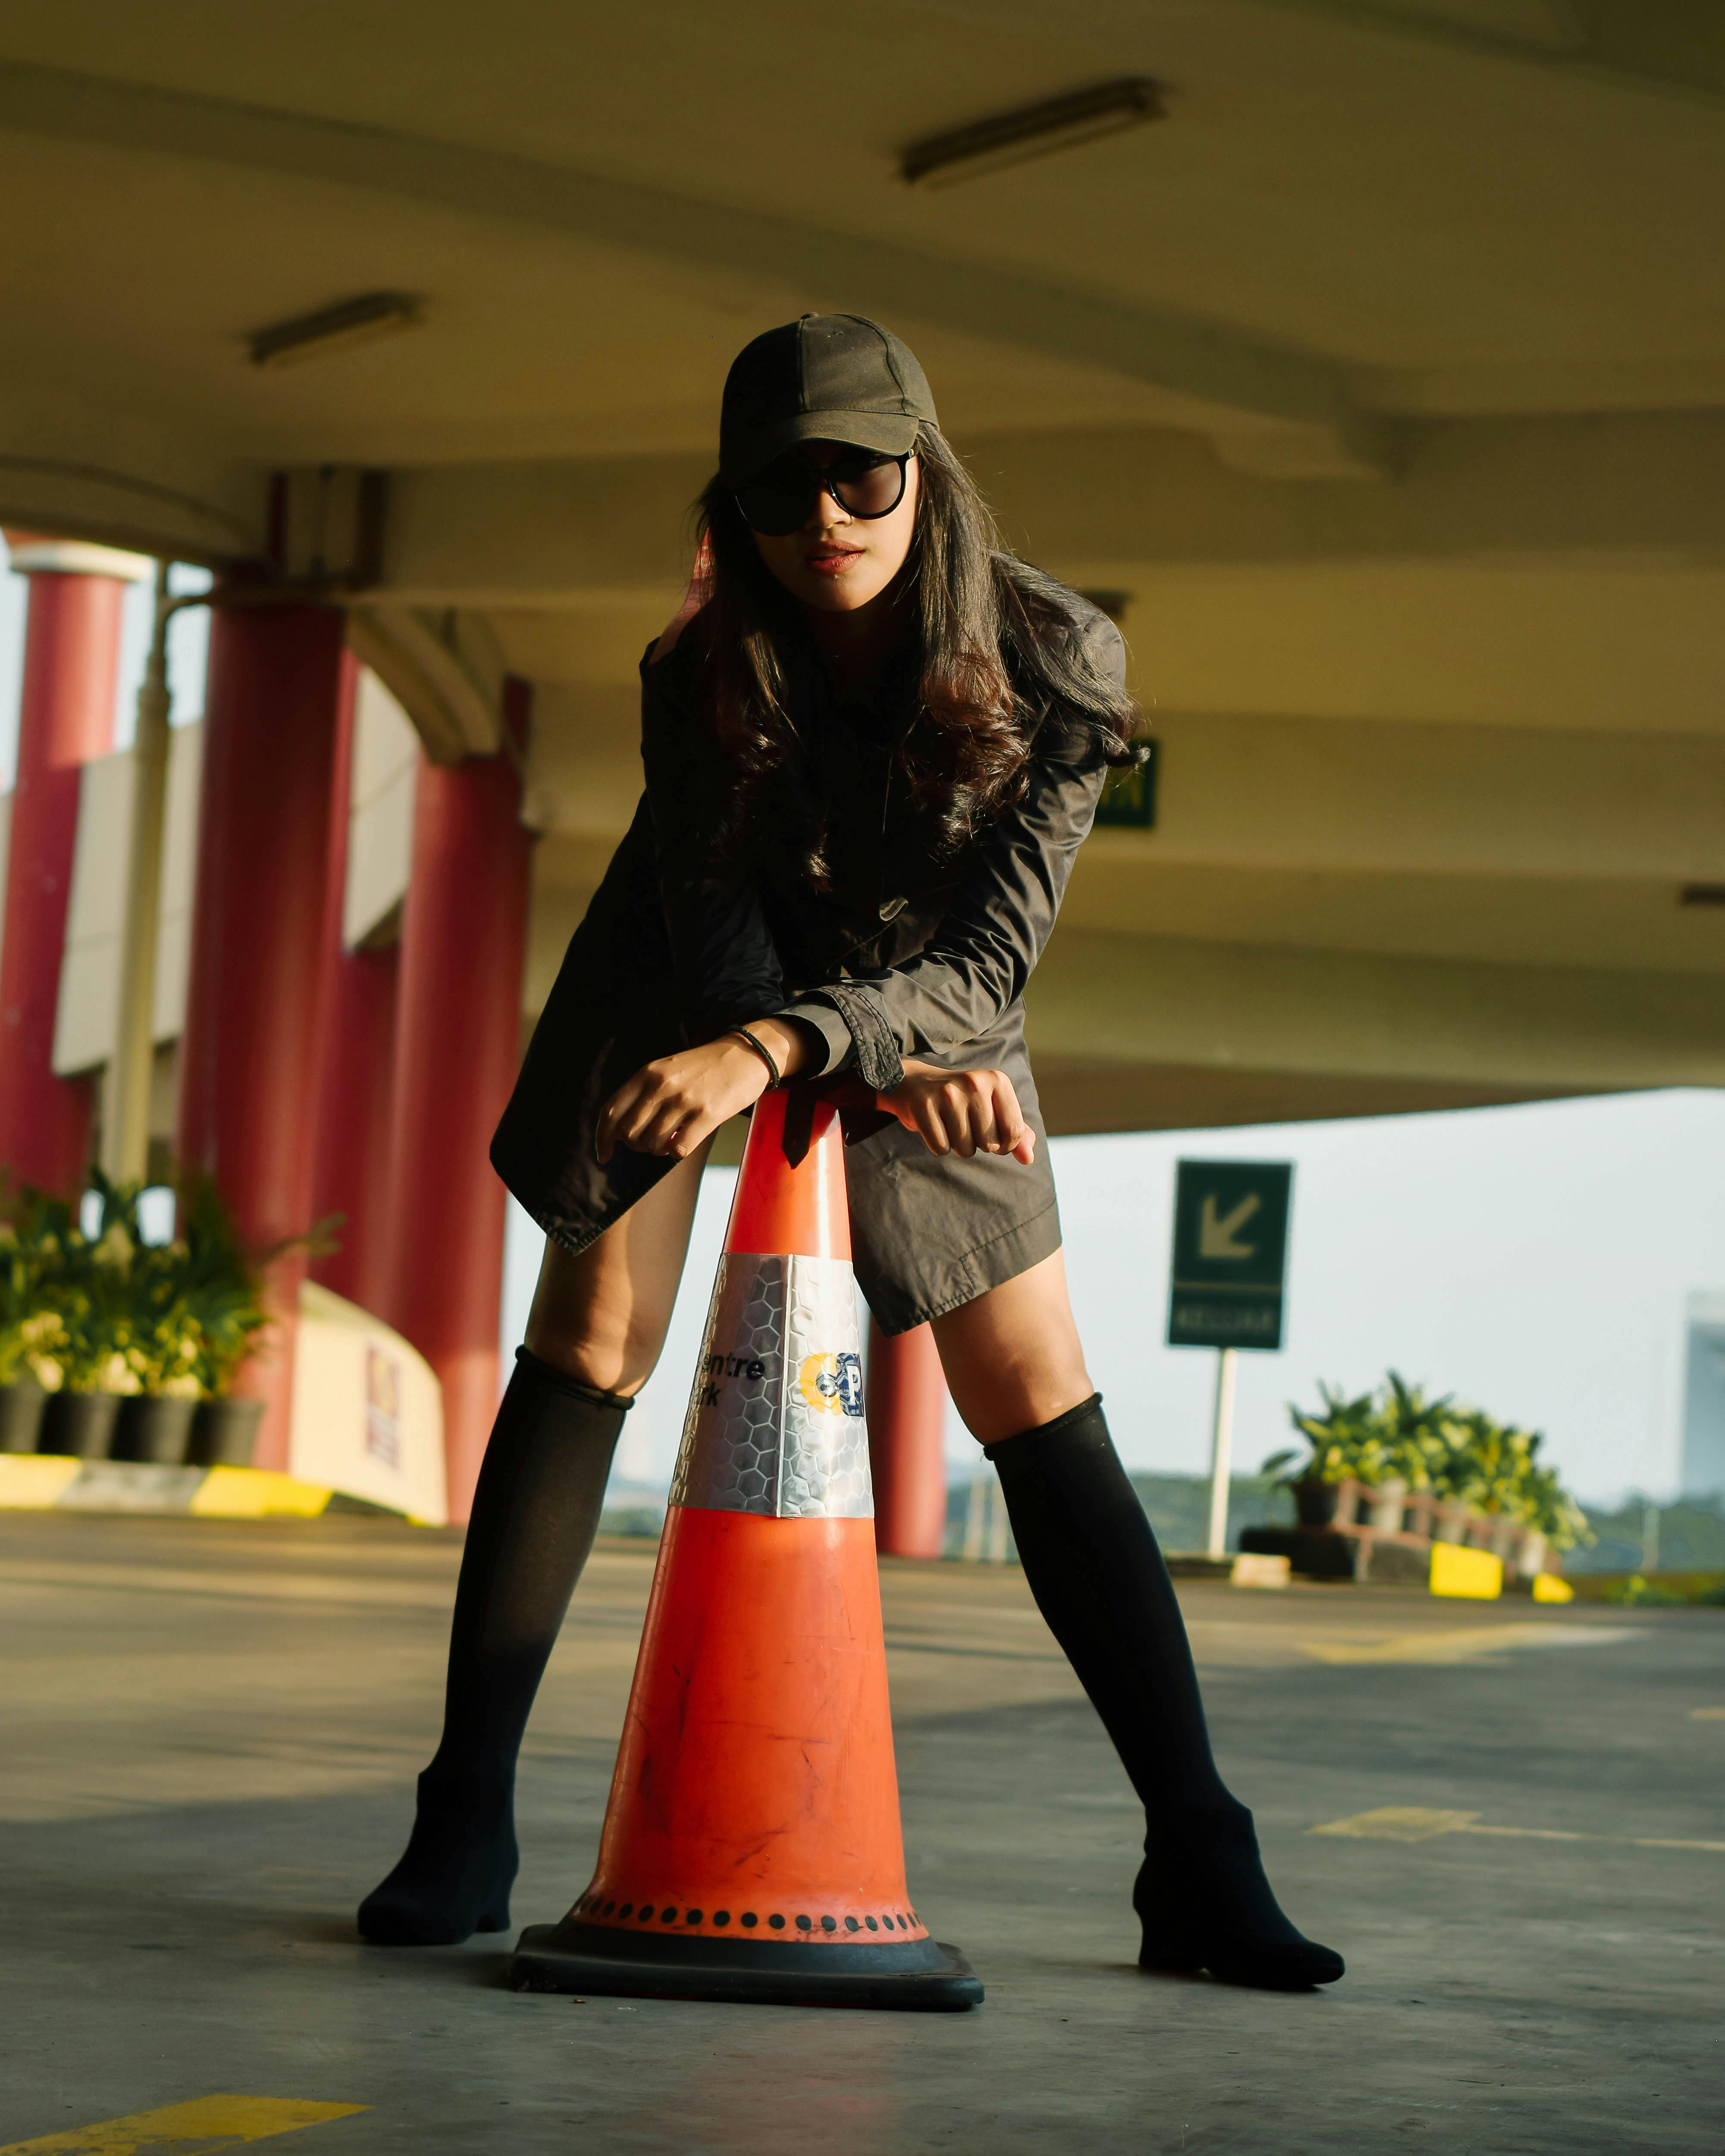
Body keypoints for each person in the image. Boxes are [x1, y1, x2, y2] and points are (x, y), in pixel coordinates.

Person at [359, 313, 1342, 1991]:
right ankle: (466, 1812)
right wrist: (770, 1041)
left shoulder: (1056, 660)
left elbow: (988, 965)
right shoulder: (700, 670)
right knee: (591, 1333)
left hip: (922, 996)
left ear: (924, 470)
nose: (825, 515)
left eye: (861, 473)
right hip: (697, 973)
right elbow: (713, 925)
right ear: (733, 505)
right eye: (778, 486)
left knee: (1031, 1378)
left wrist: (826, 1047)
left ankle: (1199, 1847)